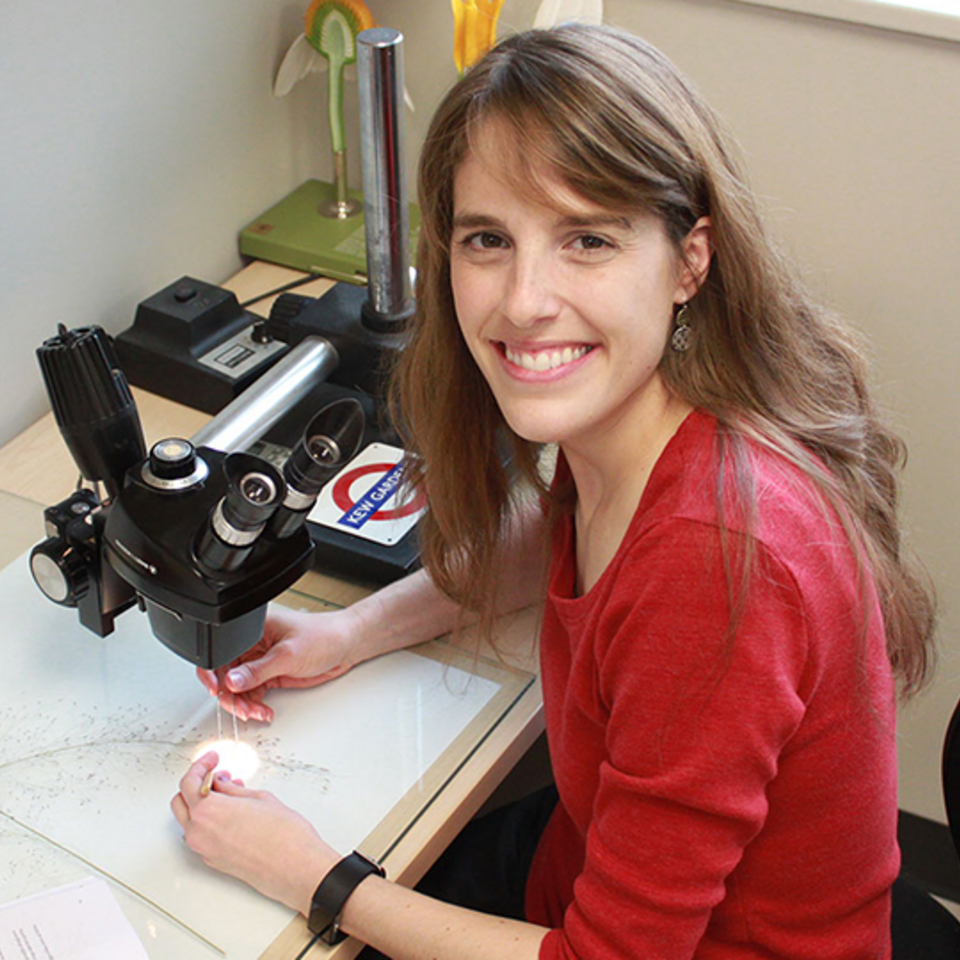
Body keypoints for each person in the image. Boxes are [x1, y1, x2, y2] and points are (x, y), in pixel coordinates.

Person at [171, 23, 936, 960]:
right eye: (488, 238)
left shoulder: (718, 558)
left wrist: (313, 874)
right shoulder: (647, 420)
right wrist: (352, 632)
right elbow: (560, 528)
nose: (525, 299)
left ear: (690, 259)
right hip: (584, 864)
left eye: (588, 240)